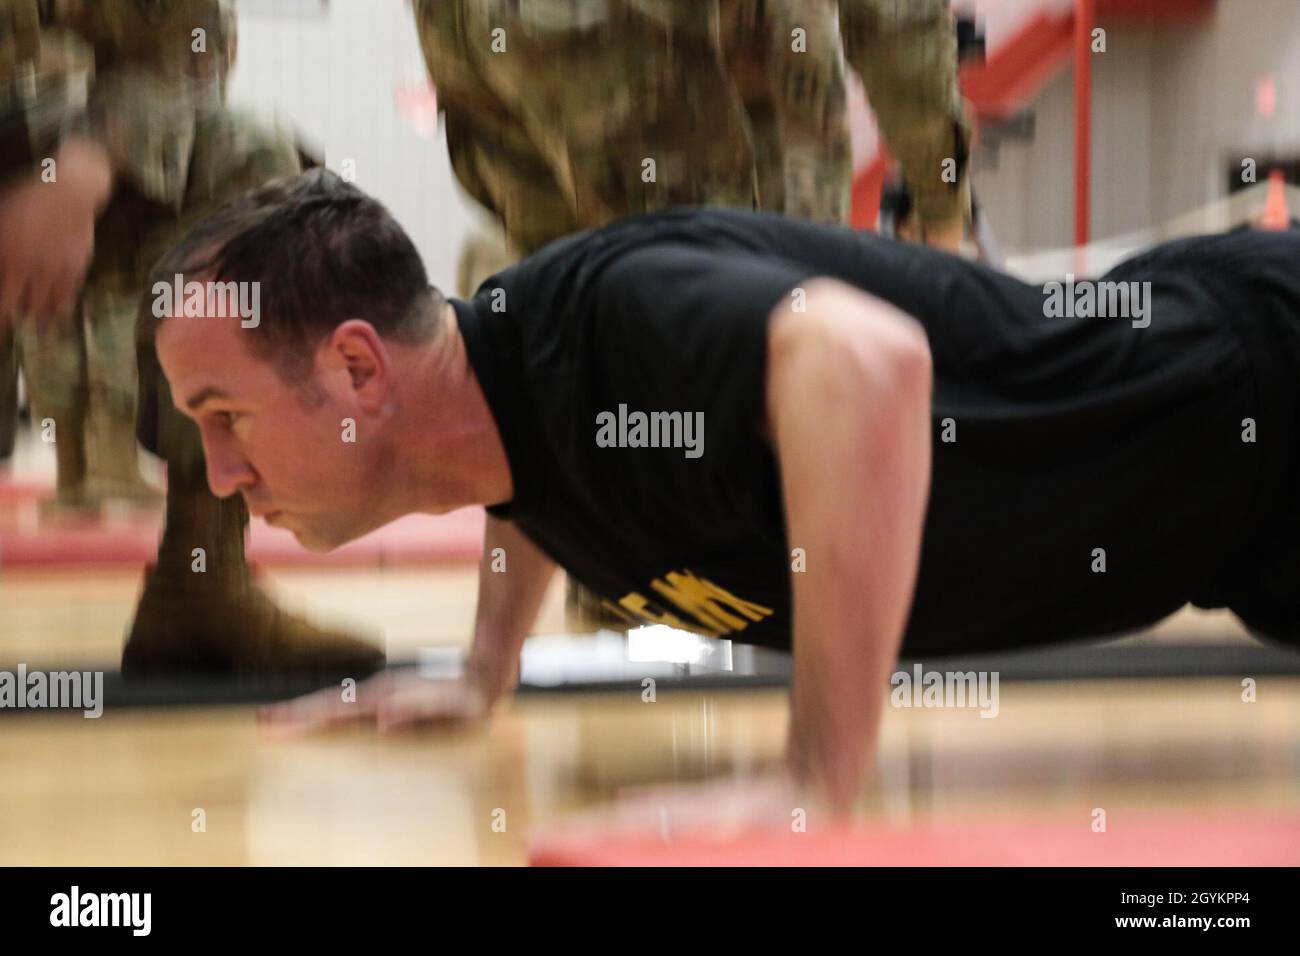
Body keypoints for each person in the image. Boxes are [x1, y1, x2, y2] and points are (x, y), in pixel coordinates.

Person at [152, 170, 1300, 813]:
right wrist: (481, 668)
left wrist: (816, 776)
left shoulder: (613, 317)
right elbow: (527, 482)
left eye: (225, 416)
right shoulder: (501, 402)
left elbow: (866, 366)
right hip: (1233, 527)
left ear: (358, 368)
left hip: (1266, 380)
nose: (222, 474)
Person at [418, 0, 973, 625]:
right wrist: (940, 195)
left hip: (472, 28)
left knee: (564, 309)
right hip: (660, 32)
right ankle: (728, 632)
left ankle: (623, 621)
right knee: (743, 324)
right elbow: (896, 16)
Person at [0, 0, 381, 675]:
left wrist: (82, 166)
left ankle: (201, 585)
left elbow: (185, 57)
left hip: (56, 158)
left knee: (253, 163)